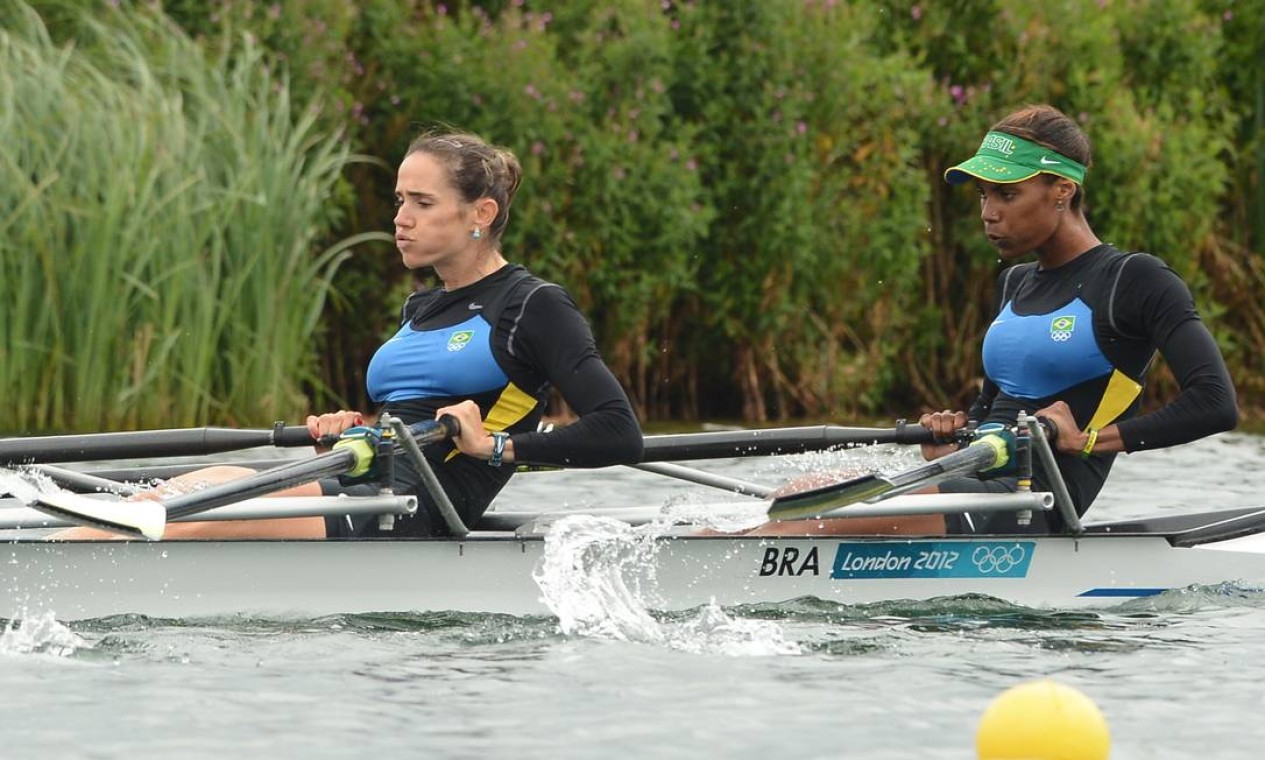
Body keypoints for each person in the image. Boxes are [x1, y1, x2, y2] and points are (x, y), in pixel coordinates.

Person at [55, 130, 643, 539]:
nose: (400, 218)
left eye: (421, 202)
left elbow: (619, 433)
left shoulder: (535, 305)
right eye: (398, 200)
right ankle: (56, 553)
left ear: (480, 215)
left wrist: (492, 445)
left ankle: (52, 574)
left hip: (413, 506)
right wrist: (344, 433)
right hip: (357, 479)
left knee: (187, 512)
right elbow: (403, 418)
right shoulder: (421, 305)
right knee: (171, 494)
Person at [751, 103, 1237, 536]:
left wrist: (1088, 440)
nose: (988, 214)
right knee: (792, 498)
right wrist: (953, 437)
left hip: (1032, 502)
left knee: (812, 520)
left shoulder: (1134, 279)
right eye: (984, 196)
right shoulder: (1014, 282)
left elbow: (1215, 403)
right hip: (968, 482)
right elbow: (993, 404)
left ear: (1062, 190)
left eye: (1006, 195)